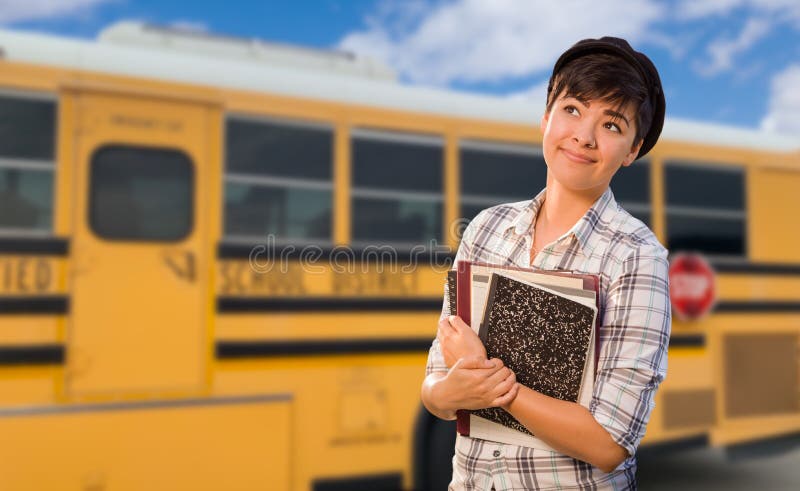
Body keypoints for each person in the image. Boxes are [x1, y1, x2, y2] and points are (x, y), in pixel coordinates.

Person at [421, 37, 670, 490]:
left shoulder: (637, 256)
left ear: (632, 151)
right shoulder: (485, 229)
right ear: (546, 118)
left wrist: (493, 384)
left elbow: (608, 443)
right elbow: (435, 389)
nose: (584, 136)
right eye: (572, 109)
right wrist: (450, 388)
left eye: (612, 125)